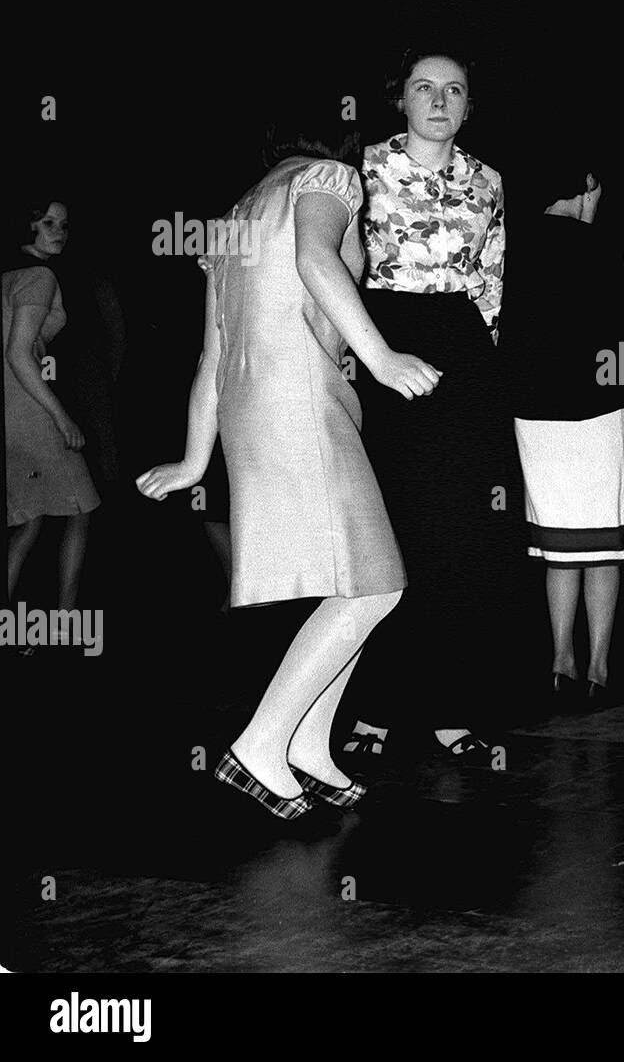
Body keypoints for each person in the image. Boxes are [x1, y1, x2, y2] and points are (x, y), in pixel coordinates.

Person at [136, 116, 431, 819]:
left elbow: (210, 354)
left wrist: (192, 458)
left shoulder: (234, 216)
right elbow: (316, 262)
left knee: (356, 579)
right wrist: (383, 358)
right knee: (374, 590)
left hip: (252, 405)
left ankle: (311, 746)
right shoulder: (326, 178)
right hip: (301, 399)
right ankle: (262, 746)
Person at [341, 47, 523, 765]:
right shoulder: (360, 169)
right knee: (385, 531)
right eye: (425, 87)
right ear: (401, 100)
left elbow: (492, 283)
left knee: (458, 538)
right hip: (383, 339)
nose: (440, 100)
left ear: (470, 105)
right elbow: (340, 270)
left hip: (461, 352)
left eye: (455, 90)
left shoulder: (490, 181)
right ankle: (375, 712)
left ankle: (452, 712)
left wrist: (482, 371)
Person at [504, 169, 624, 709]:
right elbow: (618, 328)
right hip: (596, 410)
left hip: (535, 412)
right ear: (588, 188)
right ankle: (600, 664)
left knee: (559, 544)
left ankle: (561, 659)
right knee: (603, 542)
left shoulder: (513, 243)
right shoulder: (594, 245)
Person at [5, 211, 102, 612]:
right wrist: (61, 417)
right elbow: (18, 353)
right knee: (81, 508)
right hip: (29, 410)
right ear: (27, 224)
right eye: (48, 223)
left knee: (30, 518)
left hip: (9, 410)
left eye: (64, 225)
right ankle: (64, 618)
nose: (59, 233)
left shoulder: (9, 275)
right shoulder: (39, 277)